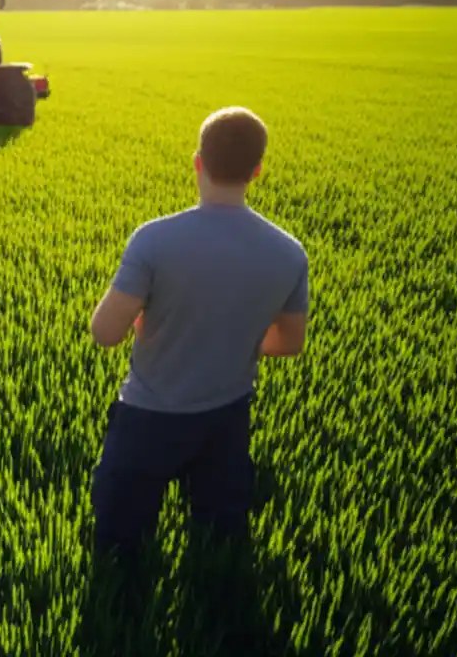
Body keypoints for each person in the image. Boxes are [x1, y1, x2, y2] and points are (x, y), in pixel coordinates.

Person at [87, 105, 309, 564]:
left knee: (120, 550)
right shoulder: (288, 252)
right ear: (257, 170)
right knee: (218, 544)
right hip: (227, 419)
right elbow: (289, 343)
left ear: (197, 162)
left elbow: (104, 333)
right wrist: (236, 334)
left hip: (149, 419)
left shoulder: (154, 240)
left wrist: (152, 321)